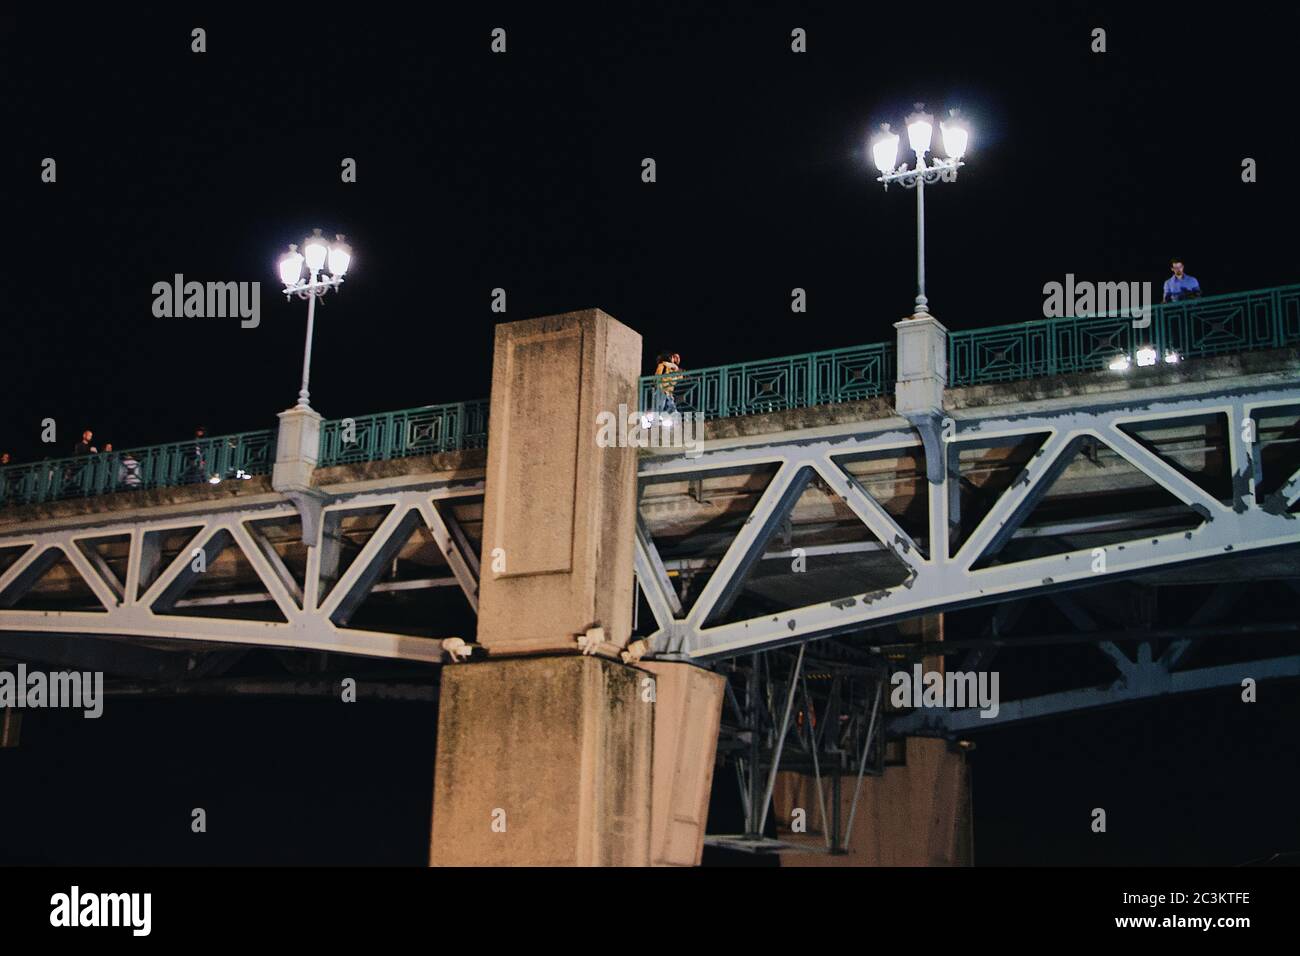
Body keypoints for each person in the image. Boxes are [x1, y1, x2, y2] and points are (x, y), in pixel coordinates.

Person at [651, 352, 682, 424]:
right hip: (662, 390)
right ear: (670, 358)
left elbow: (678, 379)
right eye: (674, 357)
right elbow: (657, 377)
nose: (676, 359)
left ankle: (670, 421)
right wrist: (657, 387)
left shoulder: (675, 369)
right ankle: (656, 423)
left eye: (677, 358)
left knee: (672, 408)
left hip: (669, 392)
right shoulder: (663, 365)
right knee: (659, 407)